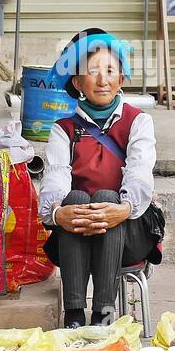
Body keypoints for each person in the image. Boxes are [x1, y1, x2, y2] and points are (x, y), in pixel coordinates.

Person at [39, 28, 161, 328]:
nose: (103, 79)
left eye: (110, 70)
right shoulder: (62, 129)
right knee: (75, 199)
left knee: (109, 197)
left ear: (121, 79)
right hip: (75, 234)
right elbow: (54, 179)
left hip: (130, 232)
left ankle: (104, 313)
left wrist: (123, 208)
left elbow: (140, 174)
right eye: (93, 71)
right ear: (78, 83)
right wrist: (58, 213)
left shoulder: (138, 122)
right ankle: (76, 315)